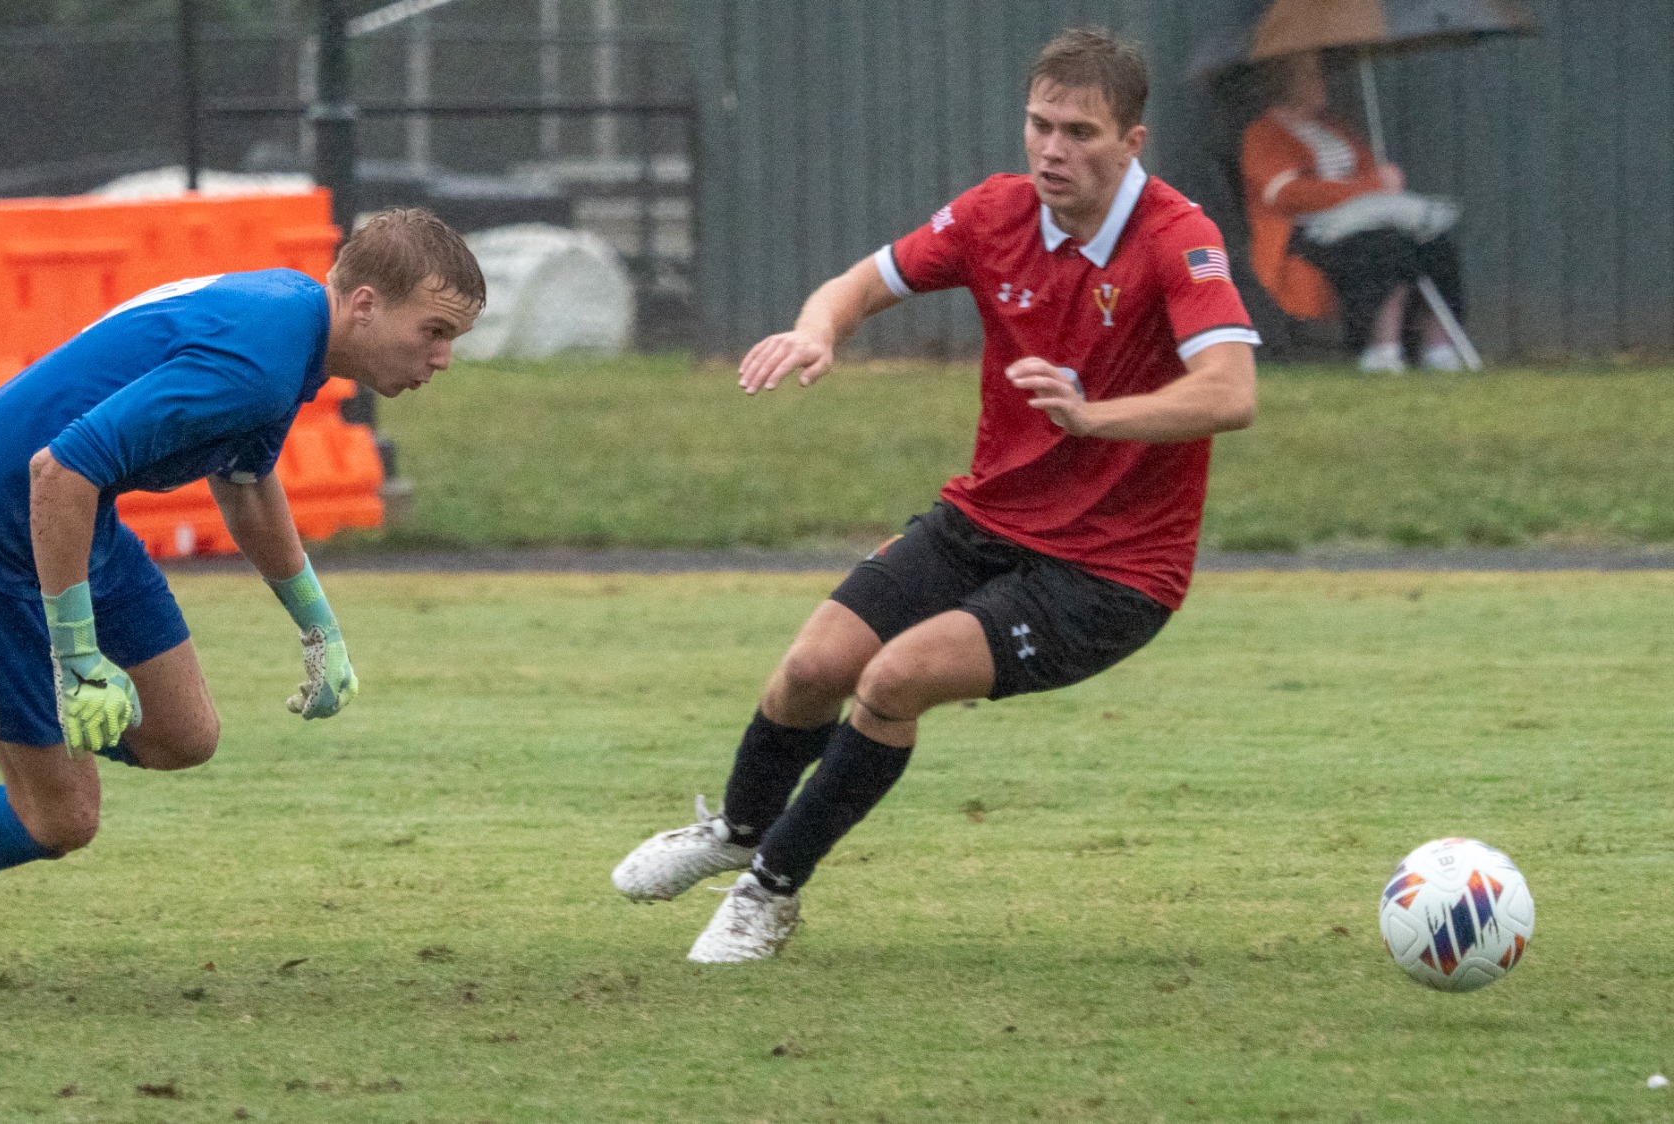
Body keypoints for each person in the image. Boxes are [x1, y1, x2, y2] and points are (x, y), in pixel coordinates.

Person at [612, 28, 1260, 963]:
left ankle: (771, 889)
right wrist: (818, 331)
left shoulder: (1176, 240)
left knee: (895, 678)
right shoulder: (994, 214)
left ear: (1133, 143)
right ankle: (738, 831)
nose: (1052, 150)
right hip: (983, 519)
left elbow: (1230, 394)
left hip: (1111, 571)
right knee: (810, 668)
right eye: (1040, 125)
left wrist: (1094, 417)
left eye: (1080, 132)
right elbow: (859, 285)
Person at [0, 208, 484, 984]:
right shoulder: (263, 360)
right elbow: (59, 469)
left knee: (182, 734)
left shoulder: (293, 327)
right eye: (436, 329)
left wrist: (317, 627)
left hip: (73, 518)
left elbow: (245, 483)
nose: (443, 358)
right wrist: (77, 658)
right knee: (60, 817)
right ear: (367, 304)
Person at [1240, 50, 1466, 373]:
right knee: (1387, 249)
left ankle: (1439, 345)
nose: (1322, 84)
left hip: (1363, 220)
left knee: (1434, 242)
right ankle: (1382, 347)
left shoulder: (1335, 127)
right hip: (1307, 231)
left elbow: (1368, 174)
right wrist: (1369, 186)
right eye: (1312, 77)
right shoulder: (1263, 135)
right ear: (1288, 83)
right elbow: (1286, 195)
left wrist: (1382, 181)